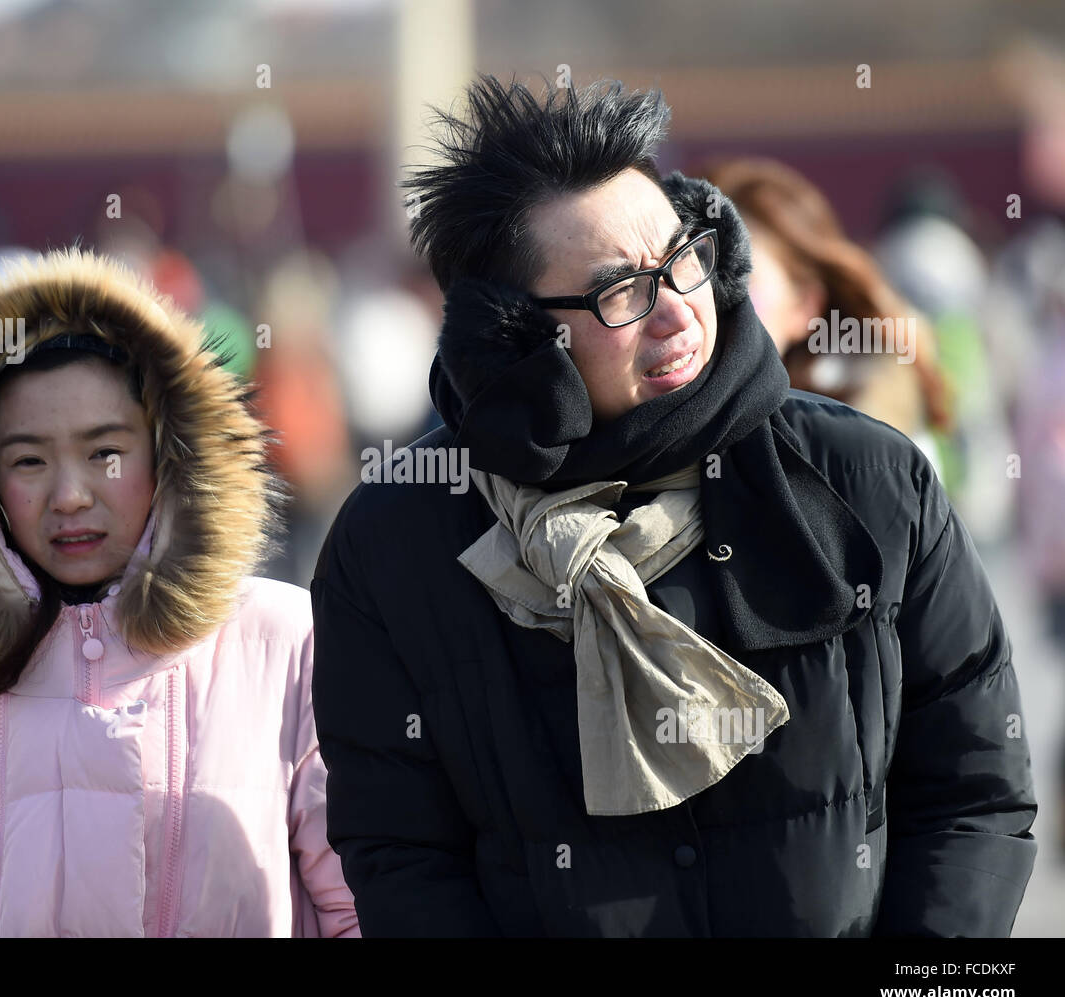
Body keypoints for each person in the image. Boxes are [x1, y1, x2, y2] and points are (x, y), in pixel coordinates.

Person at [309, 76, 1037, 937]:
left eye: (683, 257)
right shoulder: (399, 542)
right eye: (622, 292)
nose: (677, 314)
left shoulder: (865, 480)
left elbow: (974, 796)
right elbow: (401, 854)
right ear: (511, 331)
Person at [0, 249, 360, 937]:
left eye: (105, 451)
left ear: (168, 449)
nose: (69, 495)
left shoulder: (287, 646)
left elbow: (363, 909)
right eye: (30, 460)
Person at [698, 157, 952, 484]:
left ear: (804, 307)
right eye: (689, 271)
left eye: (737, 278)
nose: (701, 302)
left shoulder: (869, 456)